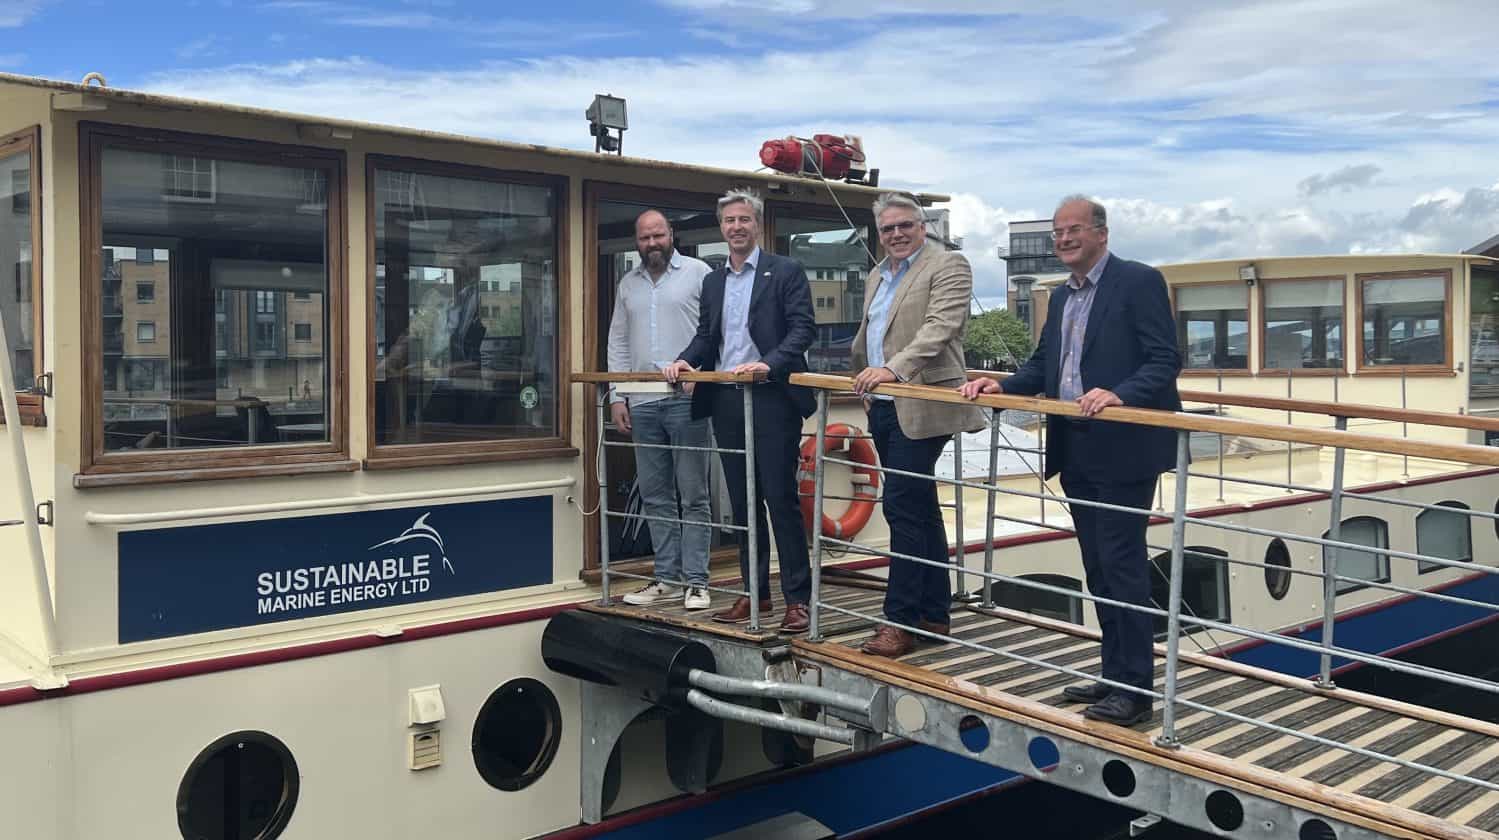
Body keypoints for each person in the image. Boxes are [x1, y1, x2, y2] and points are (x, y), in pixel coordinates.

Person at [960, 195, 1181, 726]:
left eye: (1073, 230)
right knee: (1098, 568)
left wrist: (1119, 394)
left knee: (1122, 565)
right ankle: (1112, 676)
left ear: (1101, 233)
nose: (1063, 239)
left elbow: (1165, 359)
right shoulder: (1062, 297)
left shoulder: (1138, 281)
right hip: (1075, 446)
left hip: (1125, 447)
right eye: (1057, 232)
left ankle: (1135, 691)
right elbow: (1045, 366)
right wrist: (1003, 384)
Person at [665, 188, 816, 633]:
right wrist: (684, 360)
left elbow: (803, 330)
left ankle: (797, 600)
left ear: (757, 224)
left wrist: (768, 364)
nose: (736, 228)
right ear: (721, 226)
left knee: (779, 499)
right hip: (727, 400)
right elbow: (707, 337)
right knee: (743, 504)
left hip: (771, 396)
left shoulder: (784, 271)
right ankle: (755, 593)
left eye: (744, 220)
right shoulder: (714, 282)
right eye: (729, 221)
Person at [850, 193, 987, 657]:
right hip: (884, 403)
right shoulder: (876, 274)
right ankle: (934, 613)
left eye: (904, 225)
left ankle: (899, 621)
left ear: (922, 226)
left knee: (903, 509)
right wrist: (868, 381)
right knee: (920, 508)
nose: (896, 235)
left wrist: (893, 370)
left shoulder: (948, 265)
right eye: (887, 229)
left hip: (923, 399)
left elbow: (940, 327)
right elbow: (872, 334)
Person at [607, 210, 715, 611]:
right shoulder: (627, 284)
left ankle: (697, 583)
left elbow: (713, 331)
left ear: (672, 235)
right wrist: (617, 394)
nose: (652, 243)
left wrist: (701, 373)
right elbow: (617, 341)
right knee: (655, 495)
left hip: (686, 399)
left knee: (694, 494)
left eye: (658, 235)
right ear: (637, 242)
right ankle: (667, 578)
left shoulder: (700, 273)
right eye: (645, 238)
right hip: (642, 401)